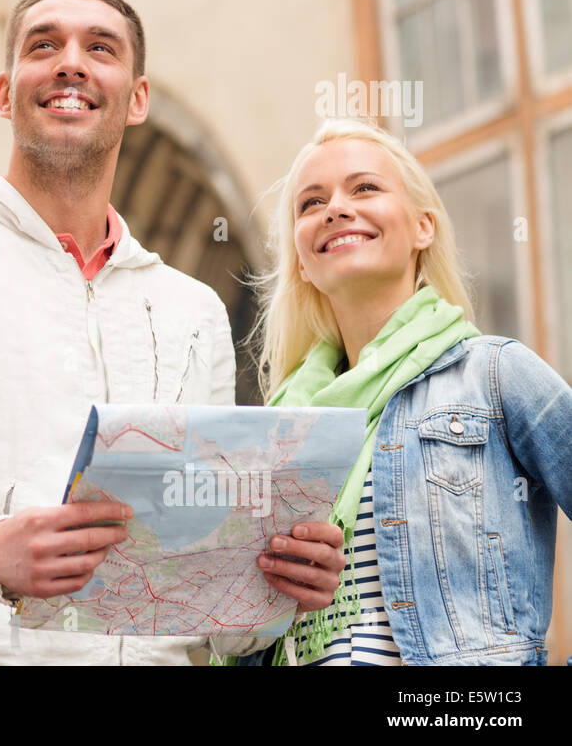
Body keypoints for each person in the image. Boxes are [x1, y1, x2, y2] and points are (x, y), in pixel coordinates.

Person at [0, 0, 347, 665]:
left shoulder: (193, 307)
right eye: (43, 45)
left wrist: (281, 586)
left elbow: (219, 615)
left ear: (137, 99)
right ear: (4, 92)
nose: (70, 62)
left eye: (100, 48)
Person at [244, 117, 572, 665]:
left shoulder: (495, 375)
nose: (336, 209)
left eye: (365, 187)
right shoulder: (275, 429)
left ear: (424, 227)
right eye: (311, 203)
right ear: (302, 259)